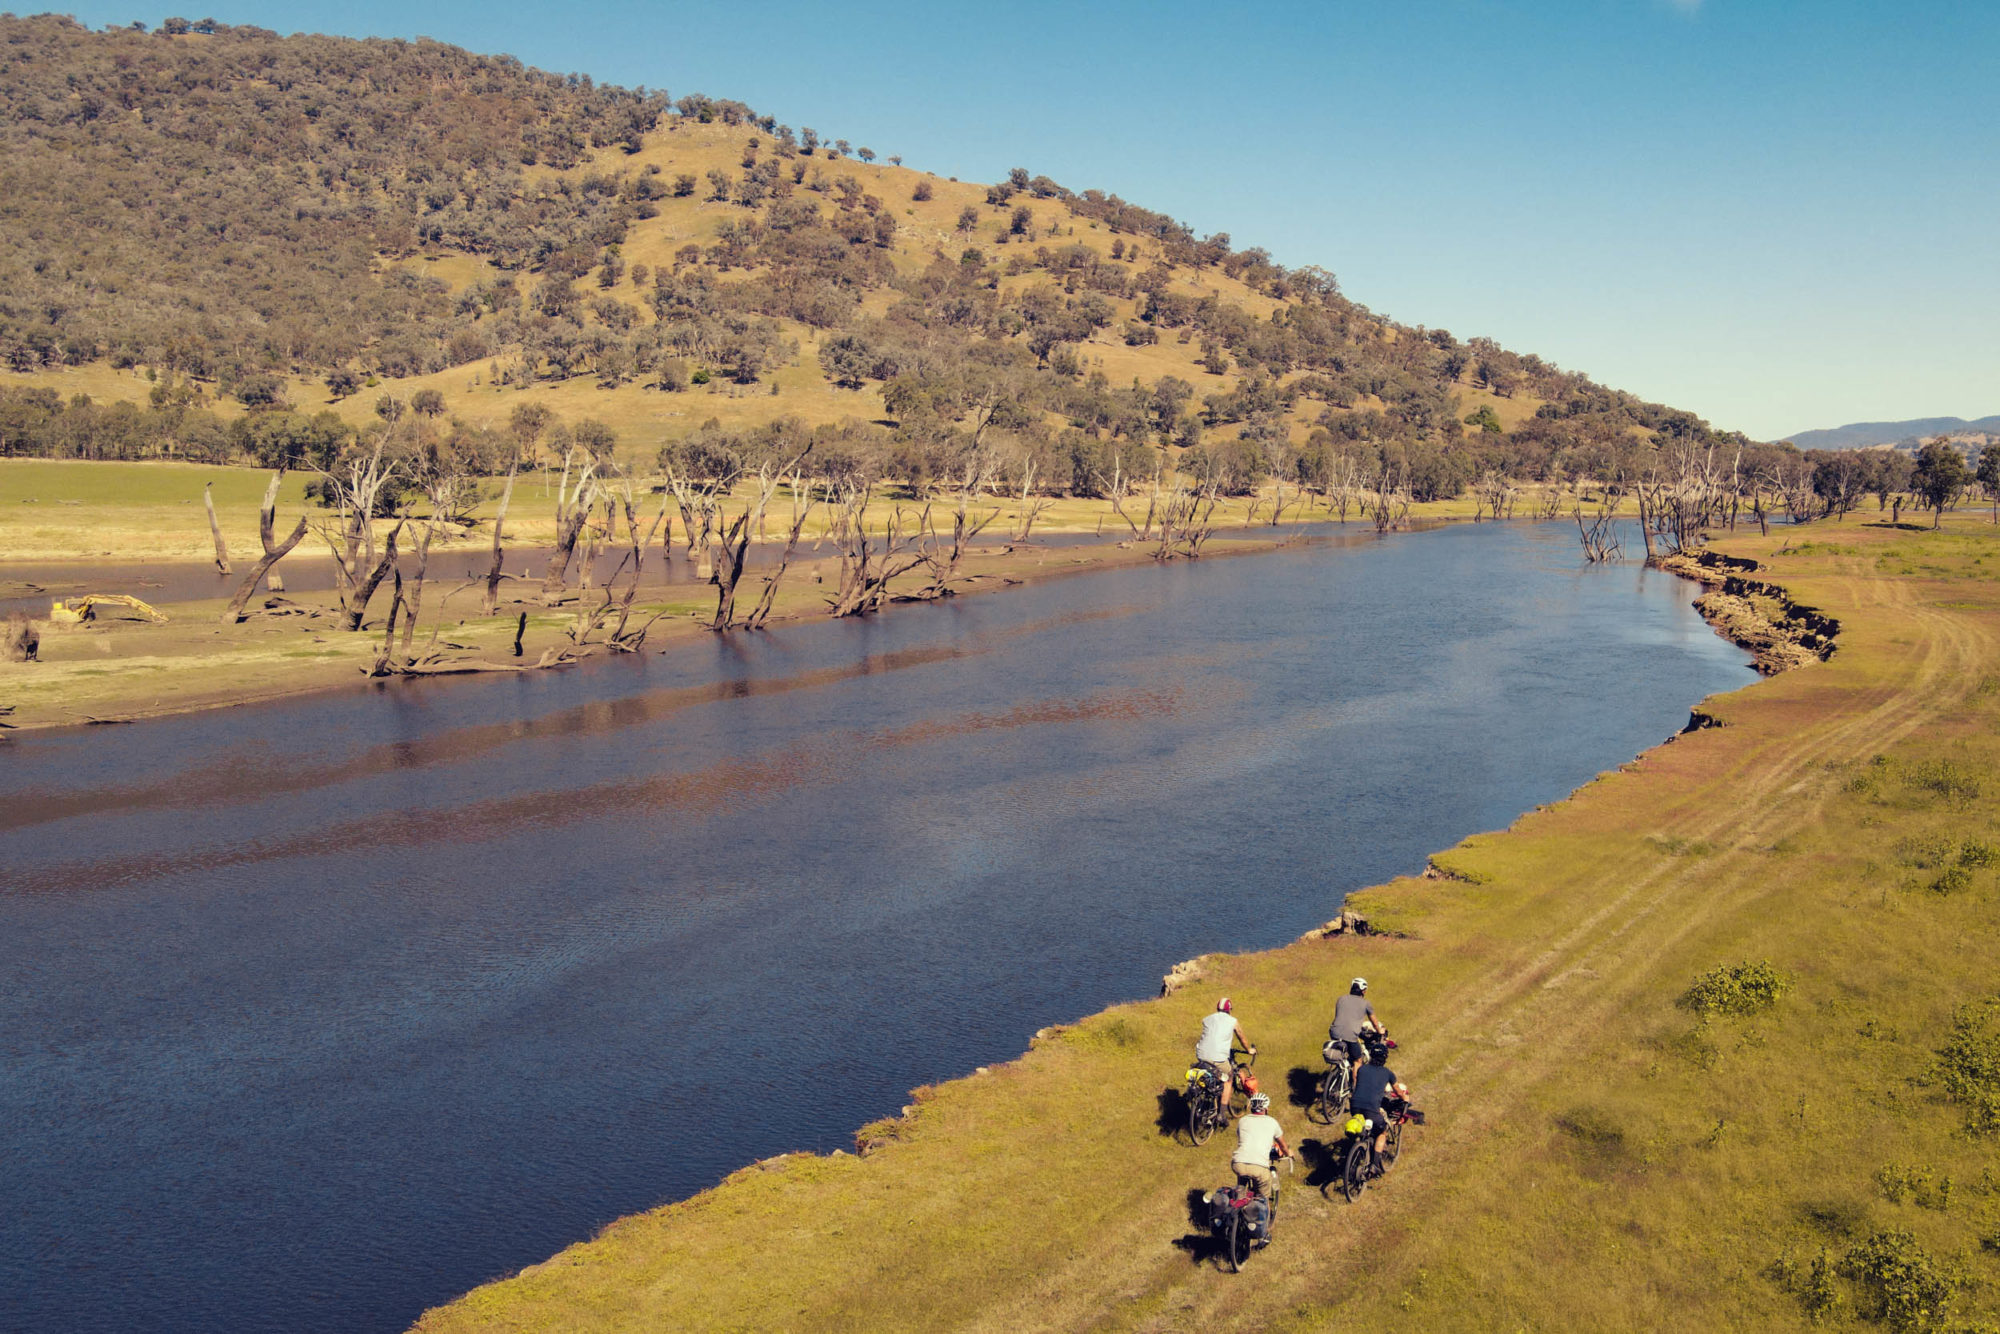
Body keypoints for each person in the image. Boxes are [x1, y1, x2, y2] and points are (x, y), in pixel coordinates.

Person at [1349, 1040, 1407, 1172]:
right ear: (1385, 1058)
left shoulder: (1362, 1069)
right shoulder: (1388, 1073)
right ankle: (1375, 1164)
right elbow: (1398, 1091)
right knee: (1382, 1130)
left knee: (1362, 1123)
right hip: (1372, 1109)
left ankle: (1358, 1144)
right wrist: (1405, 1098)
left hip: (1354, 1106)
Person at [1195, 997, 1255, 1123]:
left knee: (1211, 1075)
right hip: (1218, 1057)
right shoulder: (1233, 1021)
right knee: (1228, 1079)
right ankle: (1221, 1114)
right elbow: (1242, 1038)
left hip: (1201, 1054)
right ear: (1229, 1010)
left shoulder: (1207, 1019)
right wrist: (1249, 1050)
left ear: (1217, 1009)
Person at [1231, 1091, 1290, 1204]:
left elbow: (1242, 1138)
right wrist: (1288, 1153)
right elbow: (1282, 1145)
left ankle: (1240, 1195)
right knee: (1263, 1200)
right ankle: (1265, 1217)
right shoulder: (1272, 1122)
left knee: (1243, 1174)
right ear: (1266, 1109)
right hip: (1259, 1167)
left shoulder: (1243, 1120)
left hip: (1238, 1163)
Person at [1328, 977, 1385, 1084]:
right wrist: (1379, 1030)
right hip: (1350, 1035)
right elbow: (1374, 1022)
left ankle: (1340, 1071)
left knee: (1344, 1050)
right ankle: (1355, 1087)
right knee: (1358, 1060)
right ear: (1363, 991)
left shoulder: (1341, 999)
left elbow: (1341, 1017)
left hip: (1334, 1032)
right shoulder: (1366, 1003)